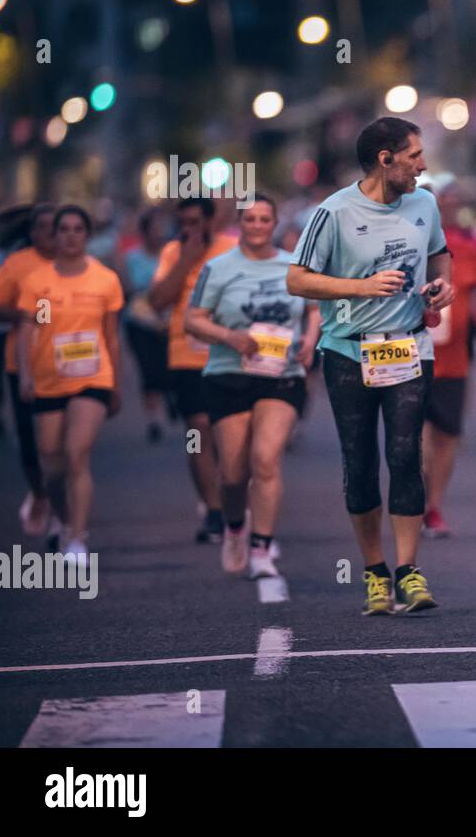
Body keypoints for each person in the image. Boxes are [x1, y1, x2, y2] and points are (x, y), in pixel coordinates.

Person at [287, 116, 453, 616]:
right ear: (386, 159)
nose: (423, 166)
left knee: (405, 456)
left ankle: (409, 571)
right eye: (415, 156)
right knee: (359, 462)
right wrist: (360, 287)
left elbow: (440, 255)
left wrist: (444, 286)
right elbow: (297, 280)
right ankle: (375, 572)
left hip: (408, 347)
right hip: (347, 352)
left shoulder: (425, 202)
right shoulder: (333, 212)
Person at [185, 195, 320, 577]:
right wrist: (230, 337)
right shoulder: (219, 267)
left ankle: (261, 548)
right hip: (229, 375)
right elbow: (192, 320)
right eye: (250, 220)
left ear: (275, 223)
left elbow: (314, 310)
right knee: (232, 474)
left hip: (282, 375)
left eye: (264, 219)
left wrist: (310, 340)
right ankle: (234, 527)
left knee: (265, 459)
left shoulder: (293, 267)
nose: (257, 226)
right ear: (239, 224)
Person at [15, 207, 124, 562]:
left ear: (87, 235)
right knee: (52, 465)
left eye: (79, 229)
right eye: (64, 229)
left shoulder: (104, 280)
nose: (71, 235)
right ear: (55, 235)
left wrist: (115, 384)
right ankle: (61, 521)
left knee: (77, 453)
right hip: (49, 380)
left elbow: (111, 336)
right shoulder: (38, 282)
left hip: (93, 377)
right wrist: (26, 375)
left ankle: (78, 537)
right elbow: (29, 329)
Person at [148, 197, 237, 542]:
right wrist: (186, 259)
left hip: (229, 356)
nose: (189, 229)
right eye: (183, 222)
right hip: (185, 359)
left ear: (212, 221)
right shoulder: (173, 253)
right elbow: (157, 301)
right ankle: (212, 509)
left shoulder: (233, 248)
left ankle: (233, 501)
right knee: (196, 432)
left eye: (196, 222)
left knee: (229, 437)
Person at [419, 177, 476, 538]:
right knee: (416, 440)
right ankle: (415, 500)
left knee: (447, 436)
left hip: (452, 361)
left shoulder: (465, 248)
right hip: (405, 359)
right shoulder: (403, 246)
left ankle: (432, 507)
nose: (444, 207)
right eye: (437, 201)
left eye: (449, 201)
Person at [0, 203, 56, 536]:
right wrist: (22, 315)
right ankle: (38, 492)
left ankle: (64, 514)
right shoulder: (18, 265)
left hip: (68, 366)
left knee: (65, 444)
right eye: (43, 227)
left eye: (55, 226)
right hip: (24, 363)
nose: (52, 234)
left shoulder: (78, 264)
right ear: (31, 234)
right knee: (31, 443)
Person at [119, 208, 172, 445]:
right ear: (144, 231)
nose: (158, 233)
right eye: (154, 228)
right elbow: (127, 290)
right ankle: (154, 420)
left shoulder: (172, 255)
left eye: (162, 229)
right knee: (148, 370)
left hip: (169, 322)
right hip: (140, 322)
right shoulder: (132, 258)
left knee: (168, 368)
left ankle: (171, 397)